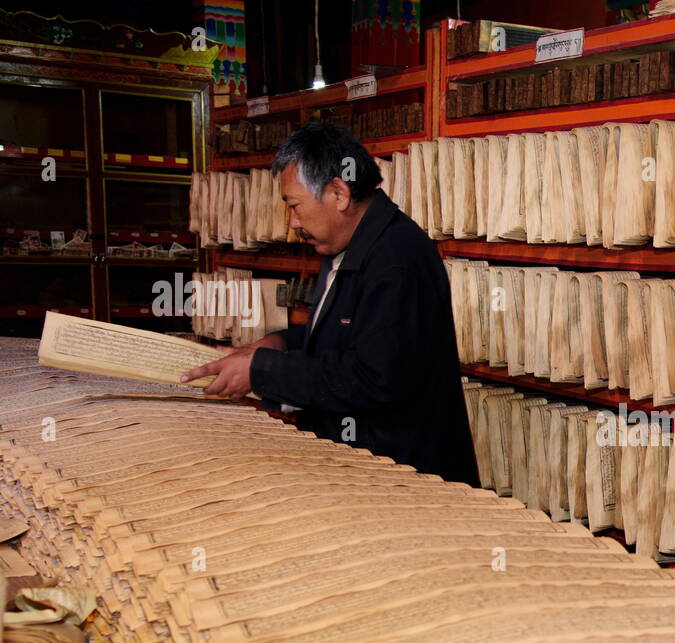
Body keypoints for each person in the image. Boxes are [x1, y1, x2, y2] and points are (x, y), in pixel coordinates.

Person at [181, 121, 478, 486]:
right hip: (369, 466)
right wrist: (283, 343)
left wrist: (263, 371)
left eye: (295, 206)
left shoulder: (396, 259)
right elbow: (348, 339)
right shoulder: (348, 243)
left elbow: (372, 378)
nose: (293, 223)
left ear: (338, 192)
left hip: (405, 478)